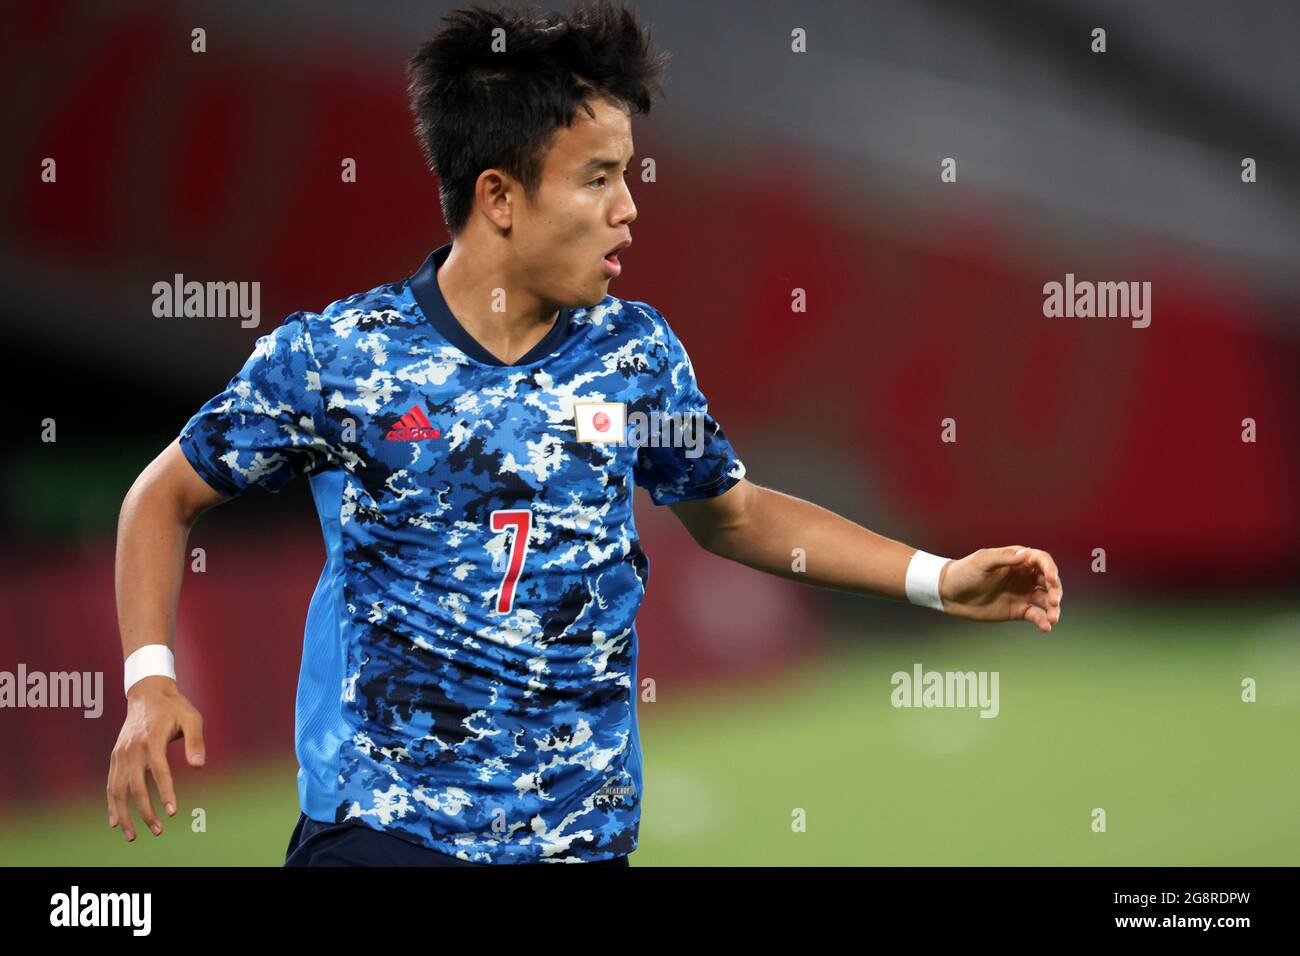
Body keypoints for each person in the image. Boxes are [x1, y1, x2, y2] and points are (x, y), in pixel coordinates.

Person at [108, 0, 1062, 866]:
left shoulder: (635, 357)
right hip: (385, 832)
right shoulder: (337, 359)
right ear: (499, 199)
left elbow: (736, 516)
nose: (628, 210)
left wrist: (940, 580)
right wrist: (151, 679)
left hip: (581, 837)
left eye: (629, 176)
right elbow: (163, 497)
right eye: (598, 178)